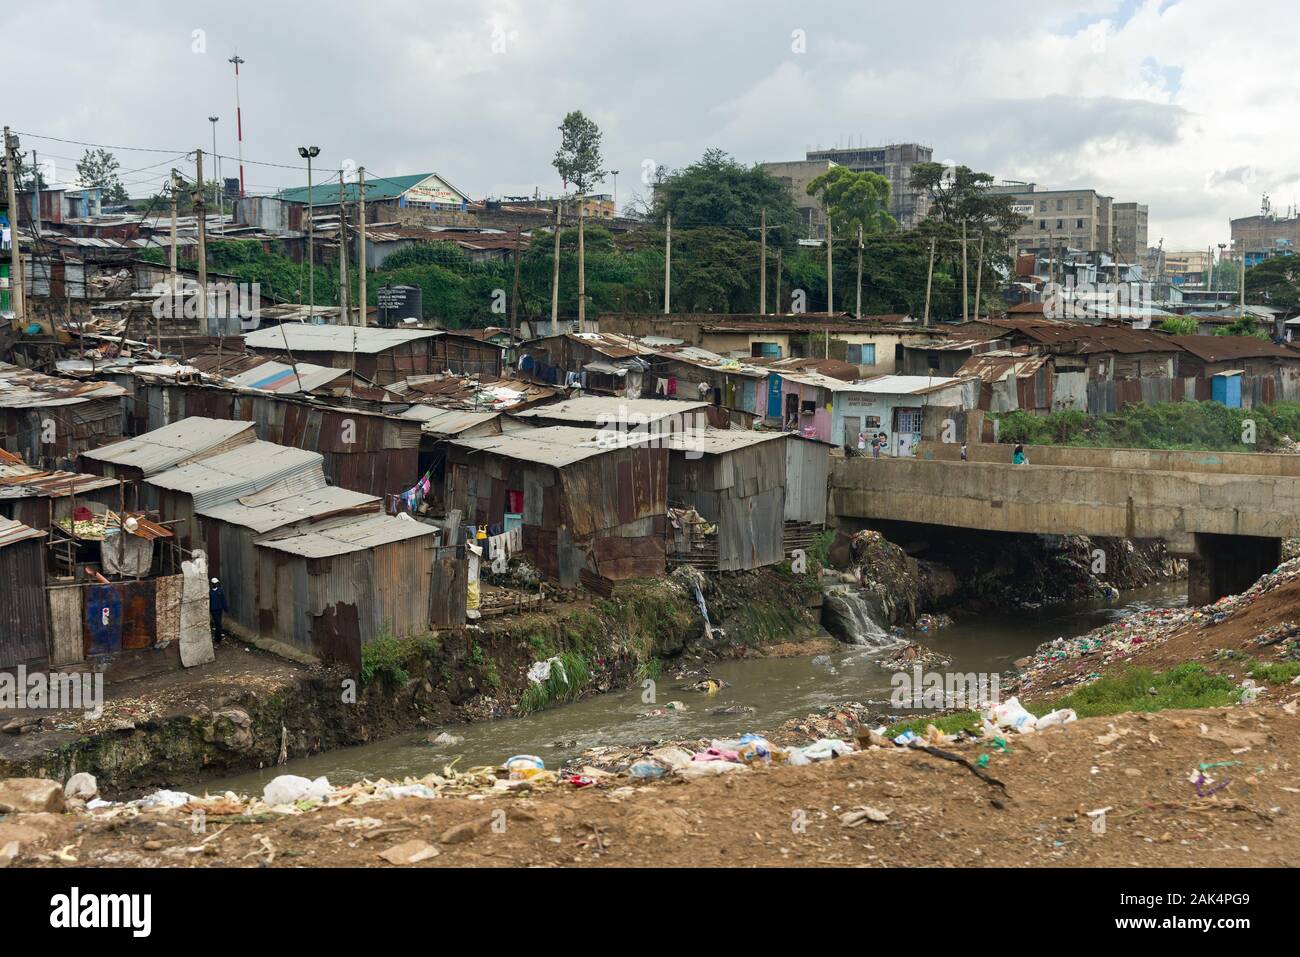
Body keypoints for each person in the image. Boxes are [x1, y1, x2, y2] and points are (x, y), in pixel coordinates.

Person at [209, 577, 227, 644]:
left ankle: (217, 638)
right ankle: (218, 639)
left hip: (220, 609)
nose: (215, 584)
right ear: (212, 584)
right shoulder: (210, 592)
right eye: (214, 583)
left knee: (218, 624)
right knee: (219, 624)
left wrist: (226, 608)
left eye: (216, 583)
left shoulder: (220, 590)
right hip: (214, 610)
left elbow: (223, 600)